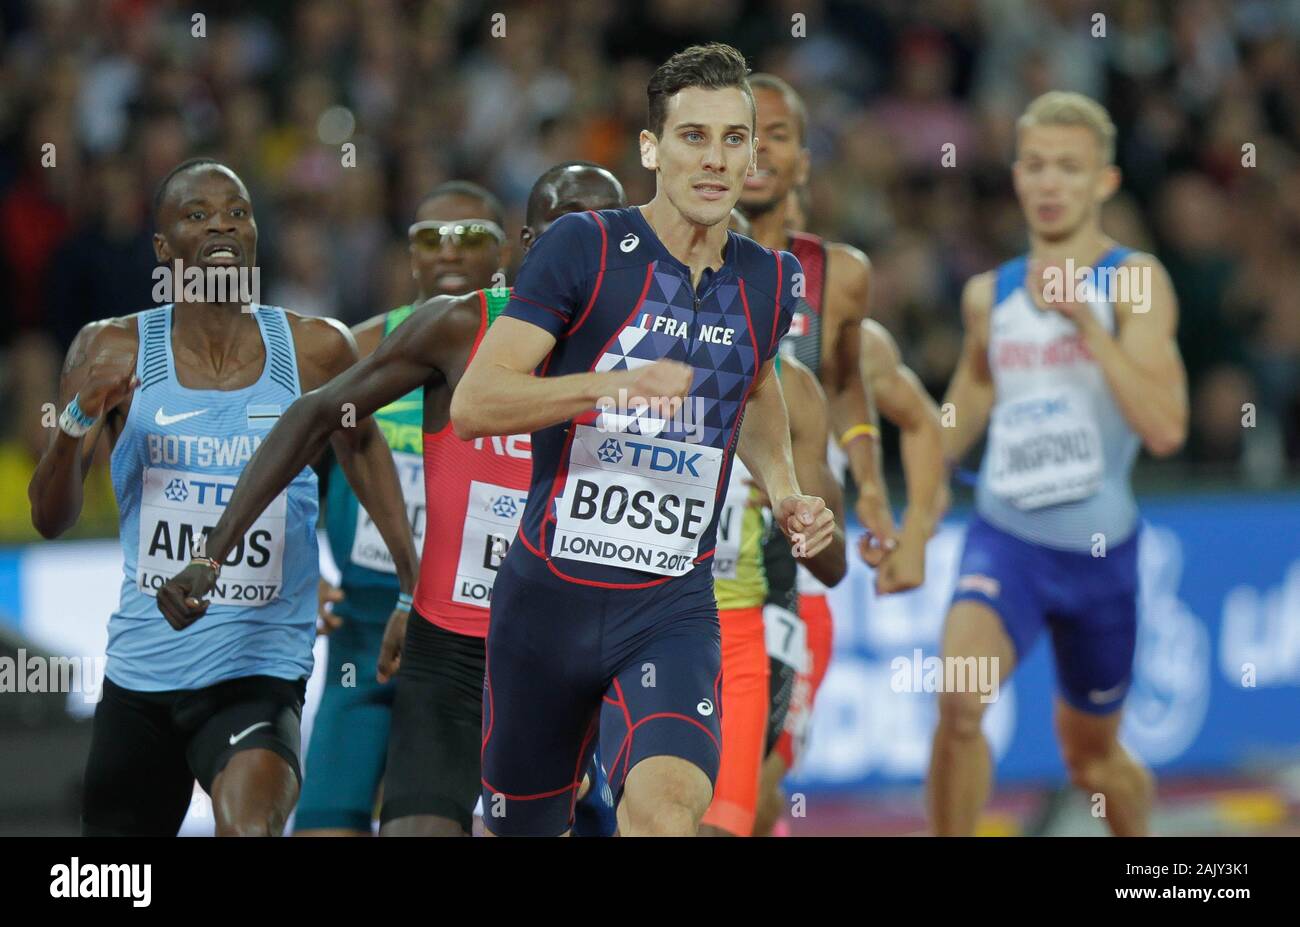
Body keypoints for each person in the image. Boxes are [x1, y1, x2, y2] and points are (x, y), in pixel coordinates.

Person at [159, 163, 628, 837]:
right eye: (567, 230)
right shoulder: (455, 328)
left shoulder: (648, 348)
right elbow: (316, 418)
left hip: (572, 650)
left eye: (606, 232)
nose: (587, 248)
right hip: (440, 643)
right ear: (530, 242)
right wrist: (217, 551)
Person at [450, 43, 835, 837]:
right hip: (546, 603)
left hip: (669, 606)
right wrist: (605, 386)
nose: (716, 159)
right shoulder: (585, 248)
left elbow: (756, 384)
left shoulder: (768, 281)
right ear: (652, 149)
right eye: (694, 136)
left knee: (665, 815)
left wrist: (787, 486)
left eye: (735, 139)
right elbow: (476, 403)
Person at [29, 158, 418, 836]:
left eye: (237, 212)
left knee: (248, 825)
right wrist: (76, 422)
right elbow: (49, 518)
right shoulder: (111, 346)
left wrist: (414, 587)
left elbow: (365, 454)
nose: (221, 226)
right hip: (144, 671)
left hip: (258, 667)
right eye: (197, 214)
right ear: (162, 247)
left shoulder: (315, 349)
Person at [930, 91, 1187, 837]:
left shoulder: (1136, 281)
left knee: (1094, 763)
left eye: (1069, 169)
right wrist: (910, 509)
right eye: (1036, 166)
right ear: (1015, 176)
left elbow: (1166, 427)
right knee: (959, 702)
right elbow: (964, 404)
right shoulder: (990, 294)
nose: (1049, 184)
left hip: (1100, 554)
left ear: (1103, 181)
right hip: (1006, 539)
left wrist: (1087, 324)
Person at [739, 75, 948, 835]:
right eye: (741, 131)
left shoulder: (836, 281)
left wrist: (898, 513)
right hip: (675, 570)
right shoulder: (659, 271)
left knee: (755, 799)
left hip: (790, 573)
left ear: (804, 168)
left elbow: (903, 413)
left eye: (779, 136)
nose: (758, 150)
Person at [295, 181, 509, 836]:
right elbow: (278, 459)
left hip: (473, 642)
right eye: (429, 238)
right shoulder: (354, 350)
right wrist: (297, 574)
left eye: (470, 236)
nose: (449, 250)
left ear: (504, 255)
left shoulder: (525, 357)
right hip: (363, 634)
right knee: (324, 826)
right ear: (407, 255)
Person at [701, 351, 845, 837]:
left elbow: (834, 565)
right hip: (654, 609)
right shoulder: (628, 351)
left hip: (765, 608)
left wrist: (799, 515)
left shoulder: (794, 388)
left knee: (754, 801)